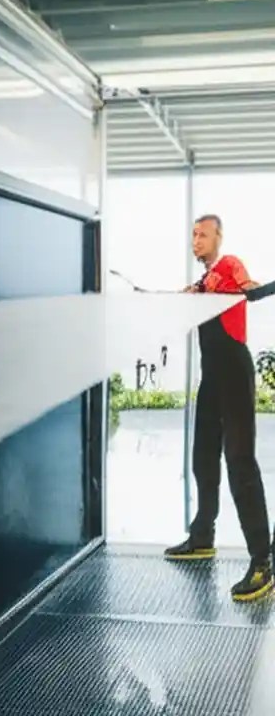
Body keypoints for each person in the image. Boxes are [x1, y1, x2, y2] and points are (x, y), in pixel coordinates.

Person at [166, 214, 272, 602]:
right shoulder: (202, 283)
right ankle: (202, 536)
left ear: (218, 238)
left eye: (203, 234)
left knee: (239, 462)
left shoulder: (229, 265)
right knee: (202, 458)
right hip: (211, 379)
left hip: (234, 373)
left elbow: (250, 288)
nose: (195, 240)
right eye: (193, 233)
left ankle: (263, 561)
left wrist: (259, 288)